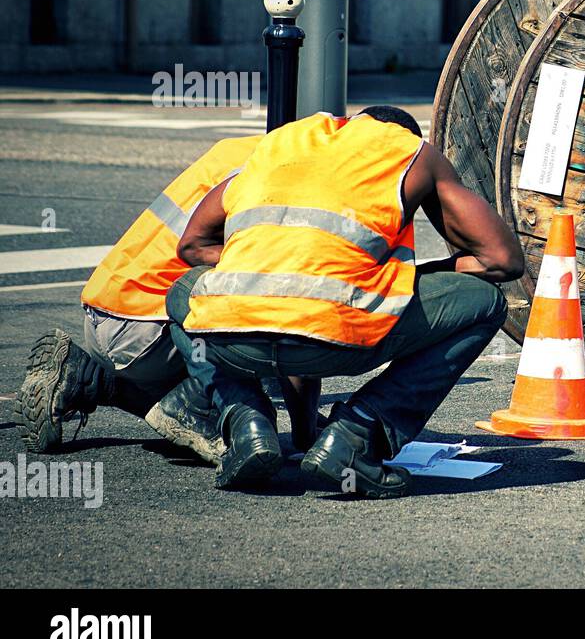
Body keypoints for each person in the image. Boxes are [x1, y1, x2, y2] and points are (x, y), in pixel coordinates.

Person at [167, 105, 524, 498]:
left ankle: (247, 424)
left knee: (182, 293)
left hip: (233, 338)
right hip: (335, 339)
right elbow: (502, 260)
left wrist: (269, 264)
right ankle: (355, 436)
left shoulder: (281, 145)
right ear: (402, 133)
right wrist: (400, 277)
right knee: (485, 303)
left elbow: (192, 245)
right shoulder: (410, 151)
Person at [13, 135, 264, 462]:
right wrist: (302, 434)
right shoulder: (285, 177)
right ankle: (195, 407)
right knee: (248, 426)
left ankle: (86, 376)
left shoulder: (242, 148)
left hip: (111, 310)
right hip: (149, 330)